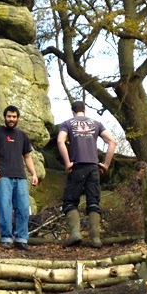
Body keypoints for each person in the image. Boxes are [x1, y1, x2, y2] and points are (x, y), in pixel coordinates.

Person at [57, 100, 117, 247]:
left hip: (77, 166)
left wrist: (67, 163)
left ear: (73, 111)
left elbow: (60, 141)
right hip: (93, 167)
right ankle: (96, 238)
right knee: (93, 202)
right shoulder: (96, 123)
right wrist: (106, 164)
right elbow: (112, 142)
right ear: (84, 111)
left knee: (70, 201)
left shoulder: (67, 123)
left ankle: (75, 234)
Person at [0, 105, 39, 250]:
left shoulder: (22, 135)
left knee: (23, 208)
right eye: (9, 116)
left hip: (20, 177)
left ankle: (21, 239)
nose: (11, 119)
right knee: (5, 207)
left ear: (18, 118)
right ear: (5, 117)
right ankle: (6, 238)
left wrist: (34, 174)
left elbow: (27, 156)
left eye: (14, 117)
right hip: (3, 175)